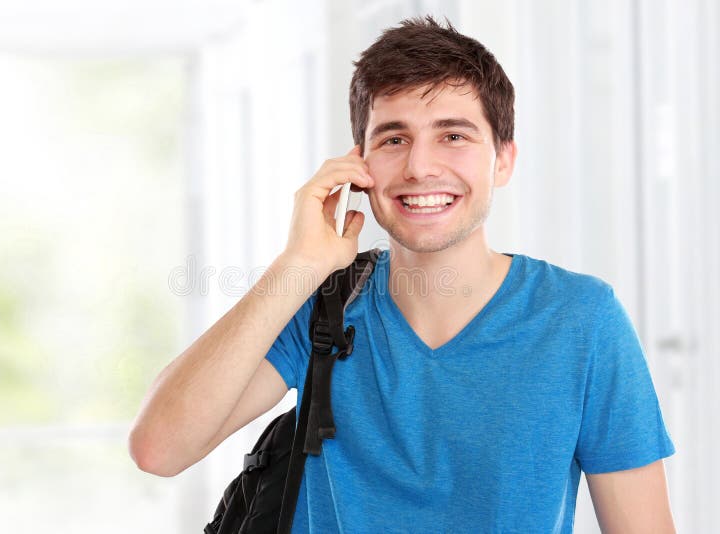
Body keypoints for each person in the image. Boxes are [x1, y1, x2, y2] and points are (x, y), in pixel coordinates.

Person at [129, 15, 676, 533]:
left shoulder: (581, 320)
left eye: (454, 136)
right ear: (359, 165)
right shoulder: (323, 306)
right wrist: (297, 265)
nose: (419, 166)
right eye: (394, 139)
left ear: (503, 160)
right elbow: (159, 448)